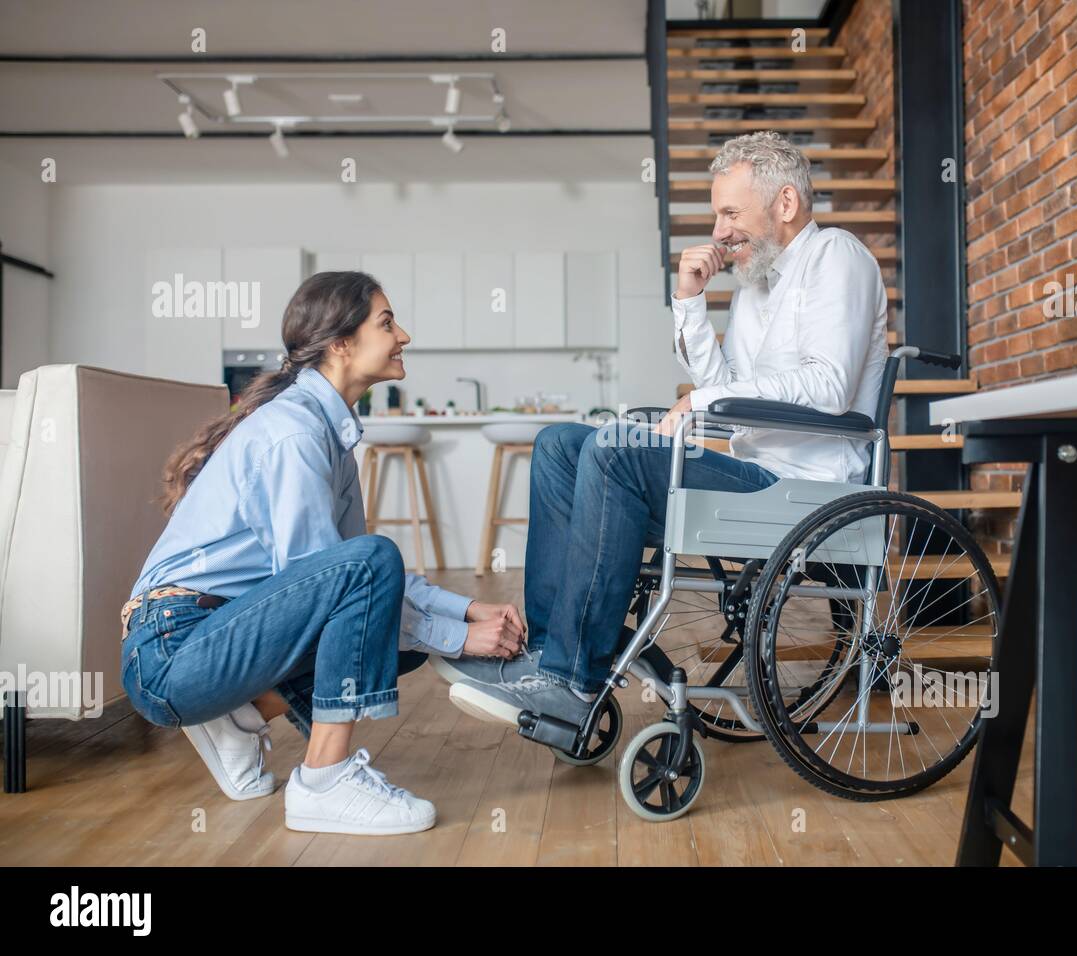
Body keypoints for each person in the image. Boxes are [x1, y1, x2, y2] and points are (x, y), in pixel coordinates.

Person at [448, 130, 889, 728]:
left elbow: (829, 388)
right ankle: (546, 658)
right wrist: (689, 300)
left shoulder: (837, 257)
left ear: (785, 203)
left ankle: (571, 682)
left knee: (613, 450)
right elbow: (726, 380)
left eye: (731, 212)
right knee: (558, 445)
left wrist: (705, 397)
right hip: (754, 471)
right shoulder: (758, 283)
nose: (719, 230)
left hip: (805, 488)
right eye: (718, 214)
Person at [120, 271, 526, 835]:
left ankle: (241, 718)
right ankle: (325, 782)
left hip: (208, 634)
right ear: (340, 343)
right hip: (171, 653)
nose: (403, 334)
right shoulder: (295, 434)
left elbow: (353, 582)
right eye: (386, 322)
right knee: (374, 577)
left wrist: (464, 609)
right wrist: (458, 638)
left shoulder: (327, 432)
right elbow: (346, 580)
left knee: (387, 615)